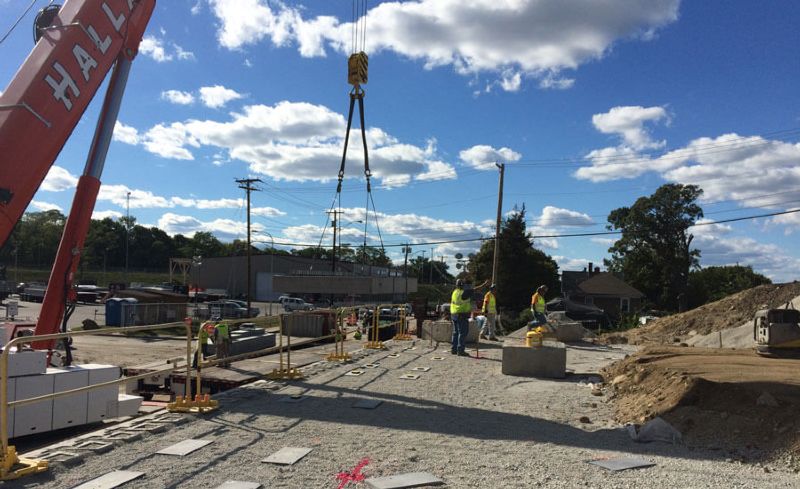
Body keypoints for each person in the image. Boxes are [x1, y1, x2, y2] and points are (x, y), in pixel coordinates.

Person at [450, 279, 472, 356]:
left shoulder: (455, 292)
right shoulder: (463, 293)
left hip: (454, 314)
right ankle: (460, 350)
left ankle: (454, 349)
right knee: (463, 333)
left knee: (455, 332)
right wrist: (484, 284)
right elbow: (473, 290)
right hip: (461, 315)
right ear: (463, 285)